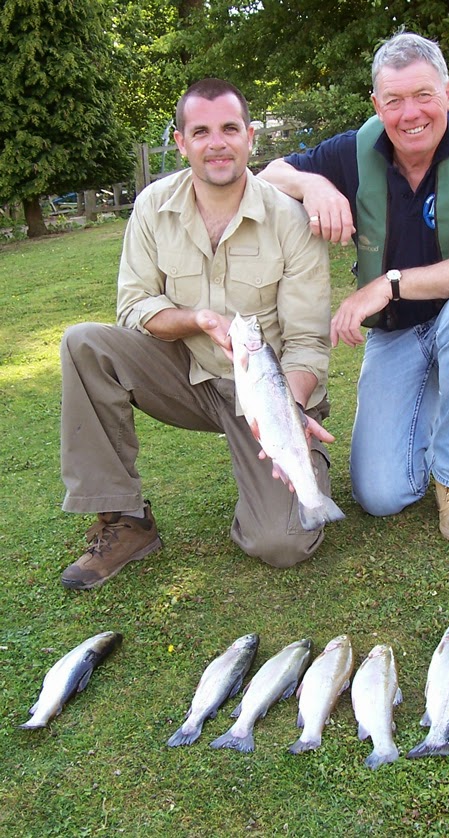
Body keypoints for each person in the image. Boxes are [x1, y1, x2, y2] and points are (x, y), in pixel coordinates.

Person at [59, 78, 336, 590]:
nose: (217, 144)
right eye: (201, 132)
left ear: (250, 136)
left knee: (281, 542)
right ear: (181, 142)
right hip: (185, 374)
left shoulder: (289, 218)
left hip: (270, 393)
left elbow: (306, 343)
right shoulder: (153, 206)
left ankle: (299, 468)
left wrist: (287, 415)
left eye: (229, 128)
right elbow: (134, 307)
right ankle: (125, 522)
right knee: (84, 344)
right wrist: (199, 320)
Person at [259, 32, 449, 542]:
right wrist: (312, 183)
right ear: (377, 105)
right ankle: (441, 411)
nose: (410, 113)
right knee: (379, 494)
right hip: (396, 334)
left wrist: (388, 284)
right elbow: (267, 175)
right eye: (394, 100)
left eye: (423, 95)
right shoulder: (354, 151)